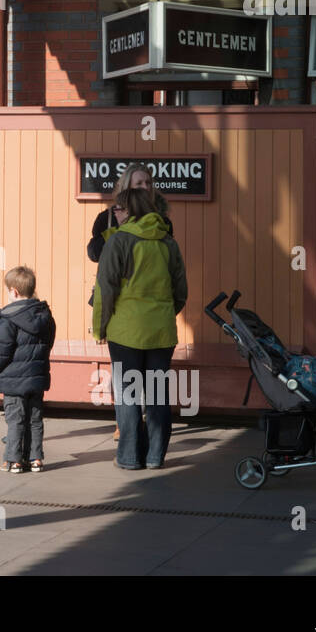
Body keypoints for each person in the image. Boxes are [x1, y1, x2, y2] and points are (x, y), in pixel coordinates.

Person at [92, 187, 187, 470]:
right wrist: (164, 313)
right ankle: (156, 456)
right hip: (161, 331)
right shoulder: (168, 242)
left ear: (130, 210)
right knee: (158, 395)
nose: (115, 214)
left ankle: (130, 457)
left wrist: (99, 327)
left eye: (118, 209)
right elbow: (180, 290)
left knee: (129, 396)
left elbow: (105, 290)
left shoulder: (118, 241)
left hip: (126, 331)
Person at [87, 163, 173, 441]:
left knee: (152, 384)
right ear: (126, 187)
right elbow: (93, 253)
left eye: (148, 183)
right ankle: (127, 428)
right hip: (118, 304)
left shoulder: (163, 220)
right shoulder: (108, 218)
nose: (145, 188)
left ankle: (136, 439)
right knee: (125, 379)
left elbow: (171, 267)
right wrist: (121, 232)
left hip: (153, 310)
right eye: (139, 184)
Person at [0, 266, 56, 474]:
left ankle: (13, 459)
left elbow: (0, 351)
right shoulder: (45, 315)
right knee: (35, 418)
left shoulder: (8, 319)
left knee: (15, 419)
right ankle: (35, 458)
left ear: (14, 292)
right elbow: (48, 342)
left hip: (14, 381)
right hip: (36, 377)